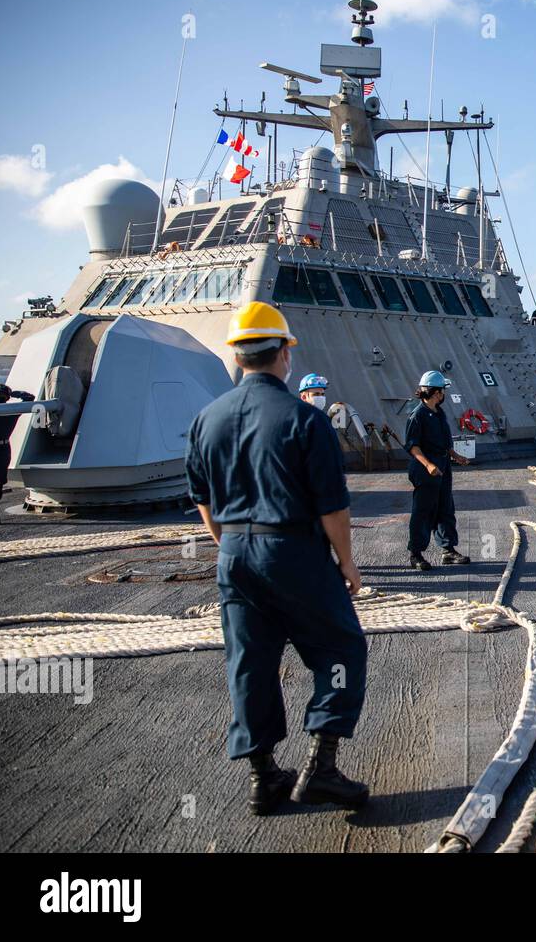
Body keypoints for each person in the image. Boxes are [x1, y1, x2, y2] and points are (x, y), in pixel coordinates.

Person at [184, 301, 370, 816]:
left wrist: (230, 545)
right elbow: (332, 505)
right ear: (284, 353)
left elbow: (203, 498)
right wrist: (348, 563)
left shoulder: (206, 419)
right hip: (293, 552)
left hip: (235, 553)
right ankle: (321, 765)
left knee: (251, 663)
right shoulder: (304, 420)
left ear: (238, 356)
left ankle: (263, 776)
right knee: (340, 650)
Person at [404, 370, 473, 570]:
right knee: (423, 511)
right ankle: (415, 554)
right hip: (425, 468)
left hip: (442, 466)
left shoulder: (438, 412)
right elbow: (412, 445)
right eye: (443, 391)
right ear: (436, 392)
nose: (444, 395)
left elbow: (444, 441)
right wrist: (428, 465)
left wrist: (456, 456)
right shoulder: (417, 416)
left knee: (445, 508)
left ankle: (448, 550)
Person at [0, 383, 35, 526]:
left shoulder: (12, 410)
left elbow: (29, 398)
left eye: (1, 394)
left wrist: (14, 393)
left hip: (1, 451)